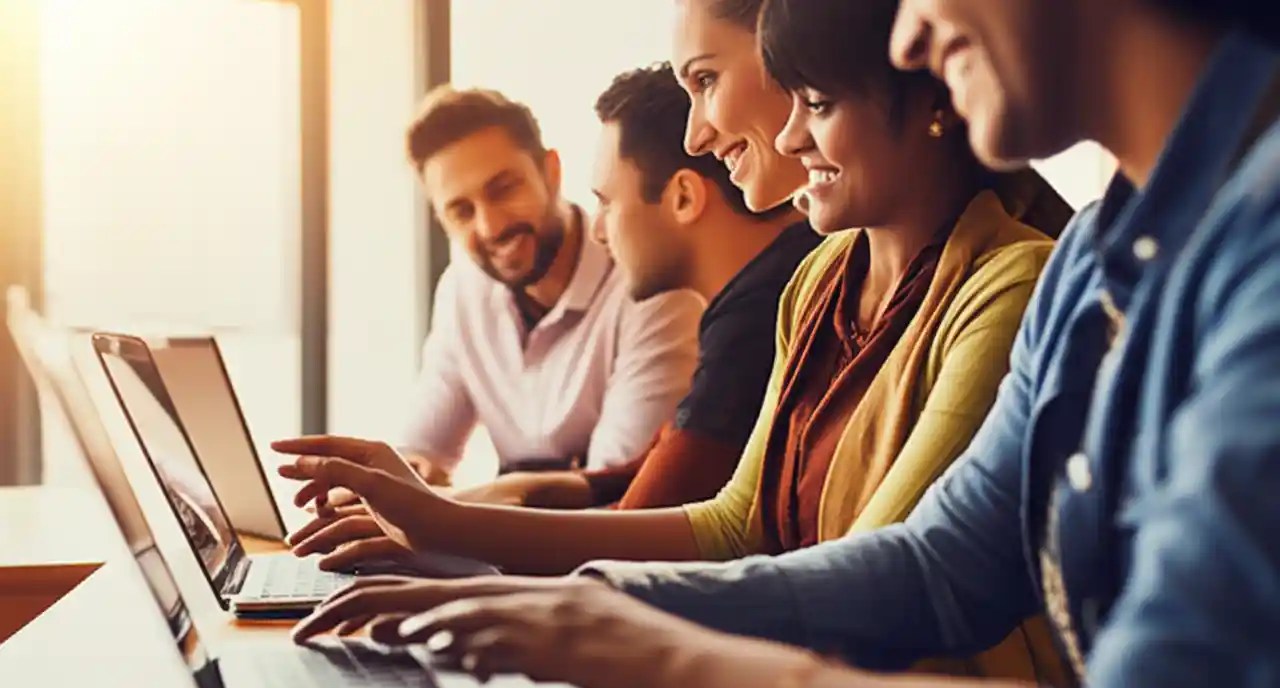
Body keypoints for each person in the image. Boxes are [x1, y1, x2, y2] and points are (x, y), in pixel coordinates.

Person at [284, 0, 1280, 688]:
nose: (907, 38)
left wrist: (660, 655)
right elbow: (938, 564)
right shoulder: (1091, 259)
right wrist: (578, 603)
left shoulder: (1227, 252)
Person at [275, 0, 1066, 621]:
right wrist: (441, 526)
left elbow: (883, 578)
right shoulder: (818, 278)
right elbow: (731, 526)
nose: (792, 135)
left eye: (816, 101)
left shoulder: (1010, 283)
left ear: (930, 94)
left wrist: (495, 581)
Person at [455, 64, 818, 512]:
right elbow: (649, 470)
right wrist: (472, 500)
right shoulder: (762, 290)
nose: (598, 232)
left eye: (607, 203)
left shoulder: (756, 321)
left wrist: (444, 520)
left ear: (684, 198)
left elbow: (643, 518)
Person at [391, 85, 702, 487]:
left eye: (503, 189)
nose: (490, 227)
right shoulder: (462, 291)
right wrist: (391, 481)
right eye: (461, 211)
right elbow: (421, 450)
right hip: (505, 525)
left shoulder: (646, 285)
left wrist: (449, 503)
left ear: (551, 172)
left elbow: (613, 489)